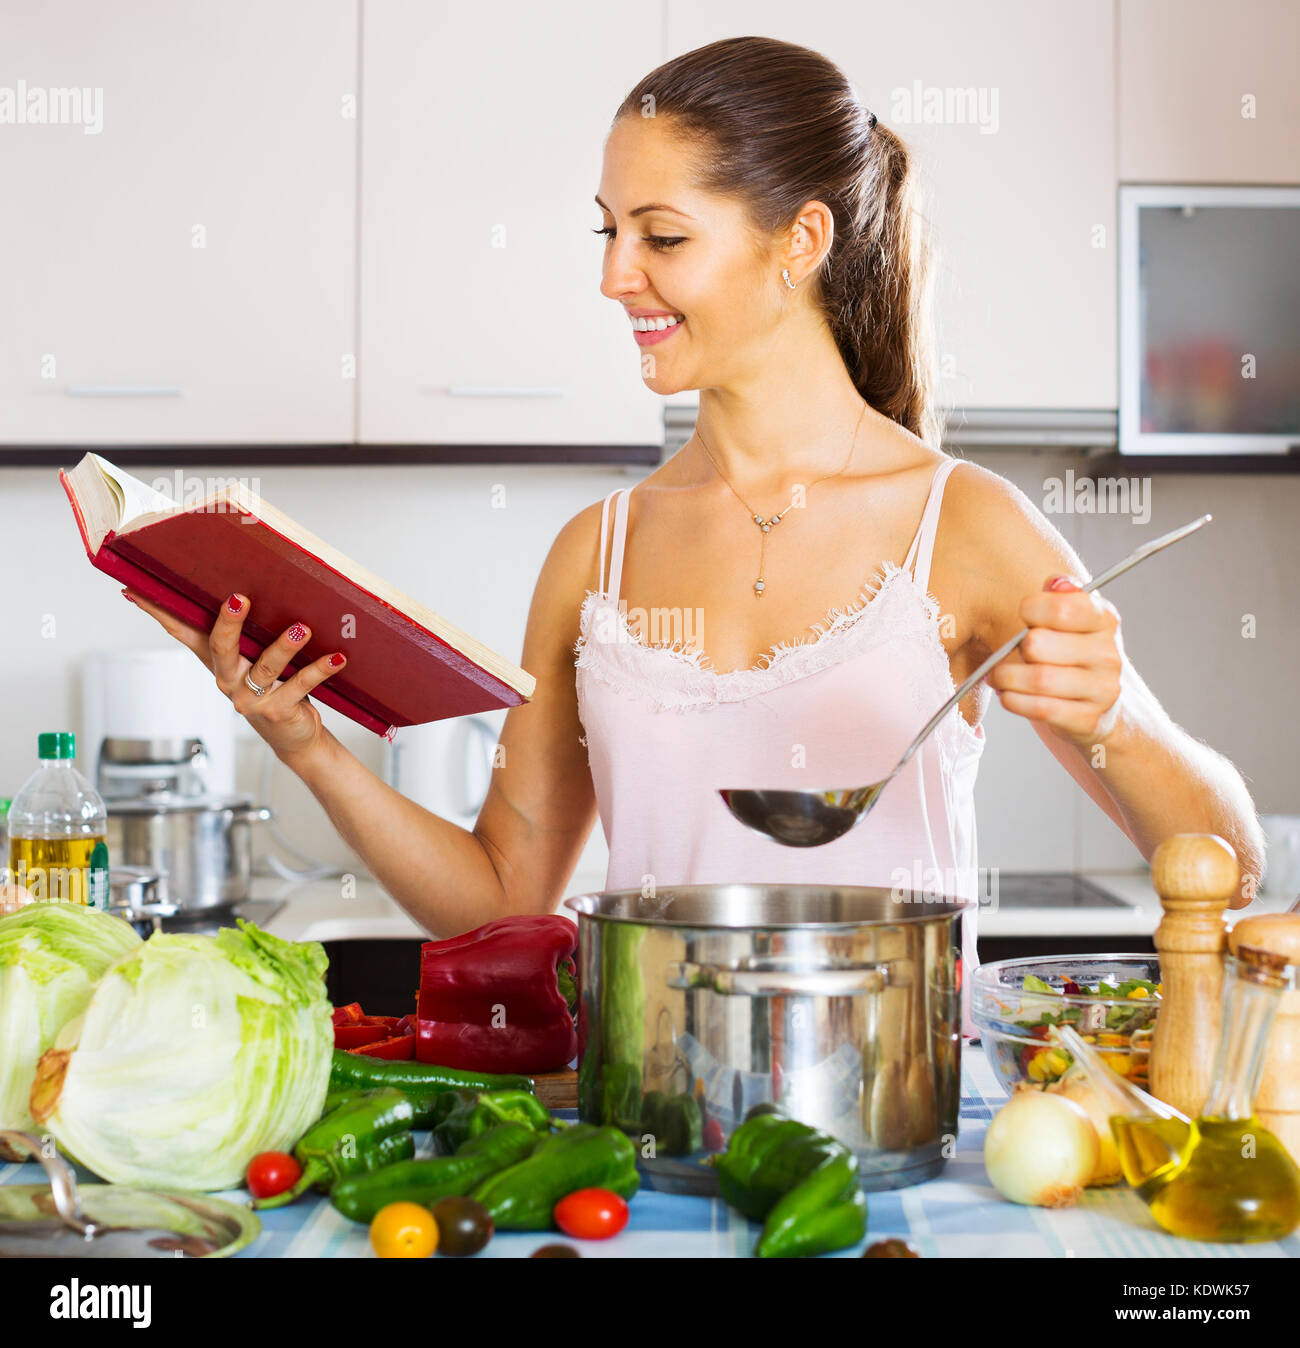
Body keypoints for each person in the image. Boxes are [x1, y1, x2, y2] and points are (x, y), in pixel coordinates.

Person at [122, 36, 1263, 1033]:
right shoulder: (597, 550)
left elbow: (1230, 862)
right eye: (609, 231)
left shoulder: (958, 523)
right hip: (650, 1114)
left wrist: (1109, 715)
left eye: (661, 235)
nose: (616, 276)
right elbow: (505, 894)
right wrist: (306, 744)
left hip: (896, 1118)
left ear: (800, 239)